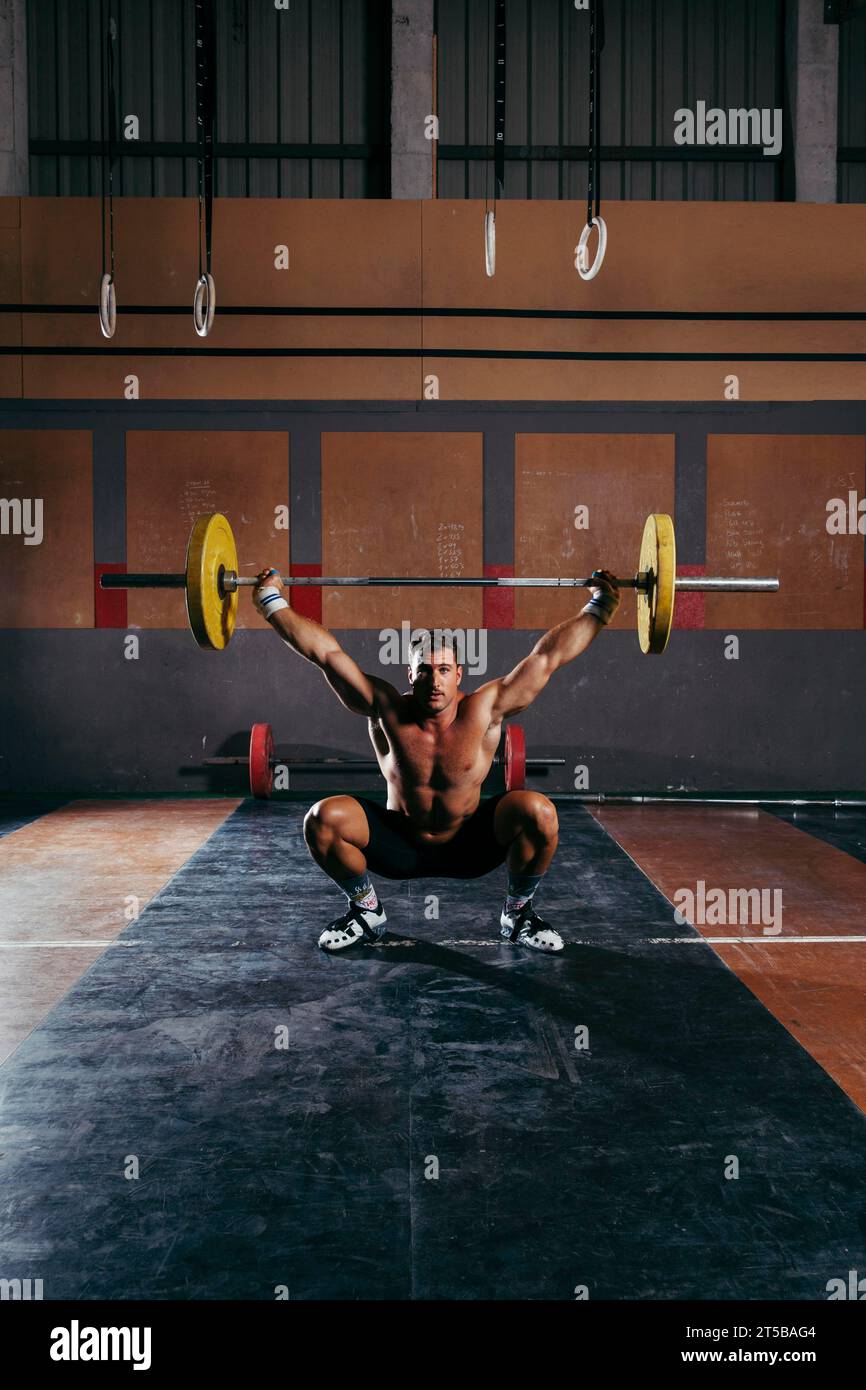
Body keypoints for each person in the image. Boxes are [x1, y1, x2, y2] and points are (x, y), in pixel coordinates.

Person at [251, 569, 621, 954]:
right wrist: (271, 602)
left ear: (459, 674)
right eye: (425, 670)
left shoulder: (485, 709)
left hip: (470, 845)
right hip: (400, 844)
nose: (434, 680)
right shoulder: (385, 708)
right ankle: (366, 912)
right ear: (410, 674)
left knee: (540, 813)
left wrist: (602, 605)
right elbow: (325, 654)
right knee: (321, 819)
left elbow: (548, 657)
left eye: (444, 670)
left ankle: (518, 915)